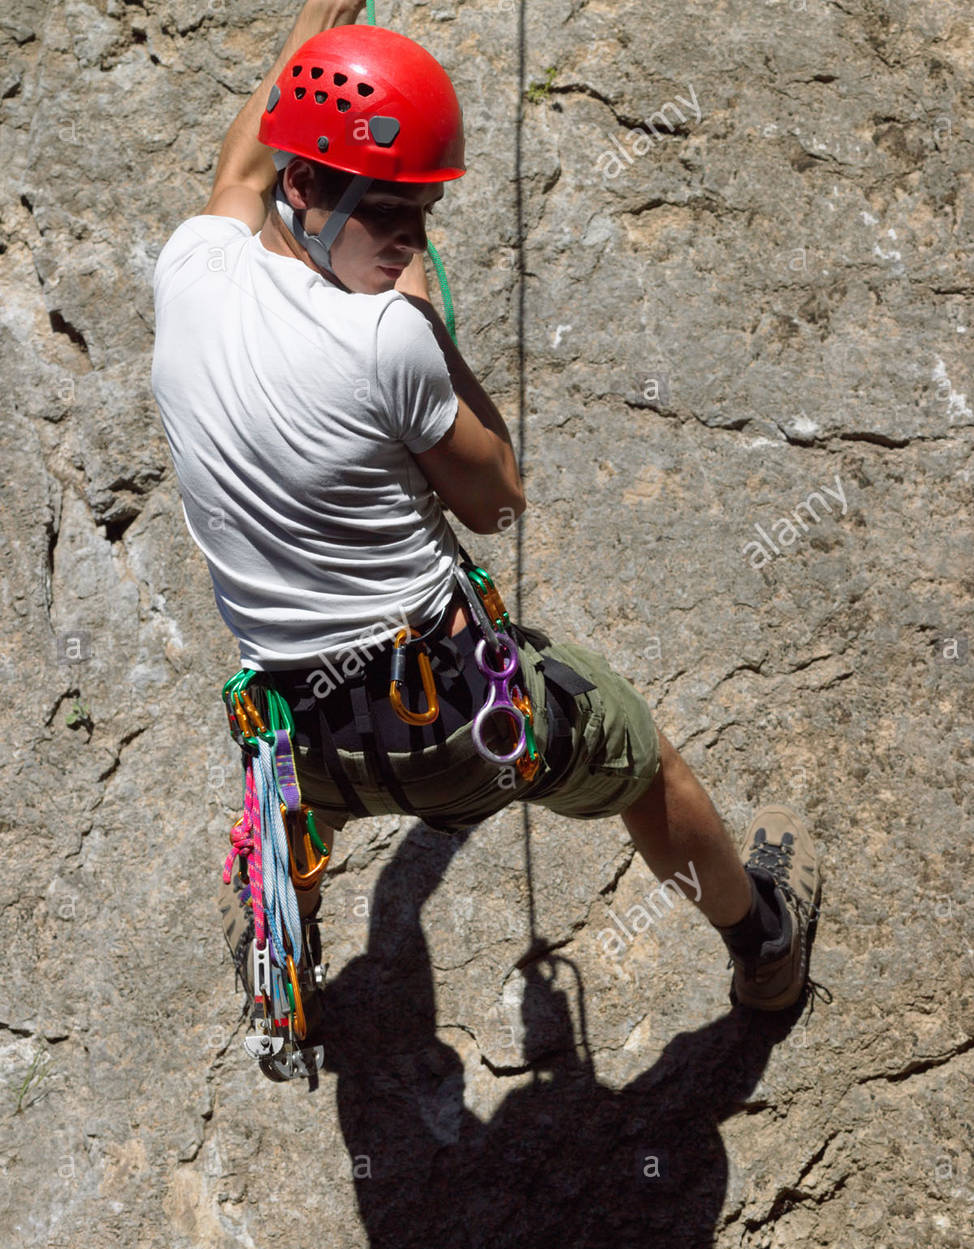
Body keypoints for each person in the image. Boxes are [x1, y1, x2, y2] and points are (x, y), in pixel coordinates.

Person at [151, 0, 821, 1015]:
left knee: (302, 797)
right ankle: (763, 946)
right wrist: (423, 321)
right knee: (639, 760)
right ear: (306, 188)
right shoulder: (385, 334)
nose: (411, 235)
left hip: (299, 736)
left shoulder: (190, 270)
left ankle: (278, 936)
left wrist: (322, 19)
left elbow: (238, 169)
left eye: (423, 210)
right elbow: (497, 501)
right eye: (389, 213)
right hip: (455, 722)